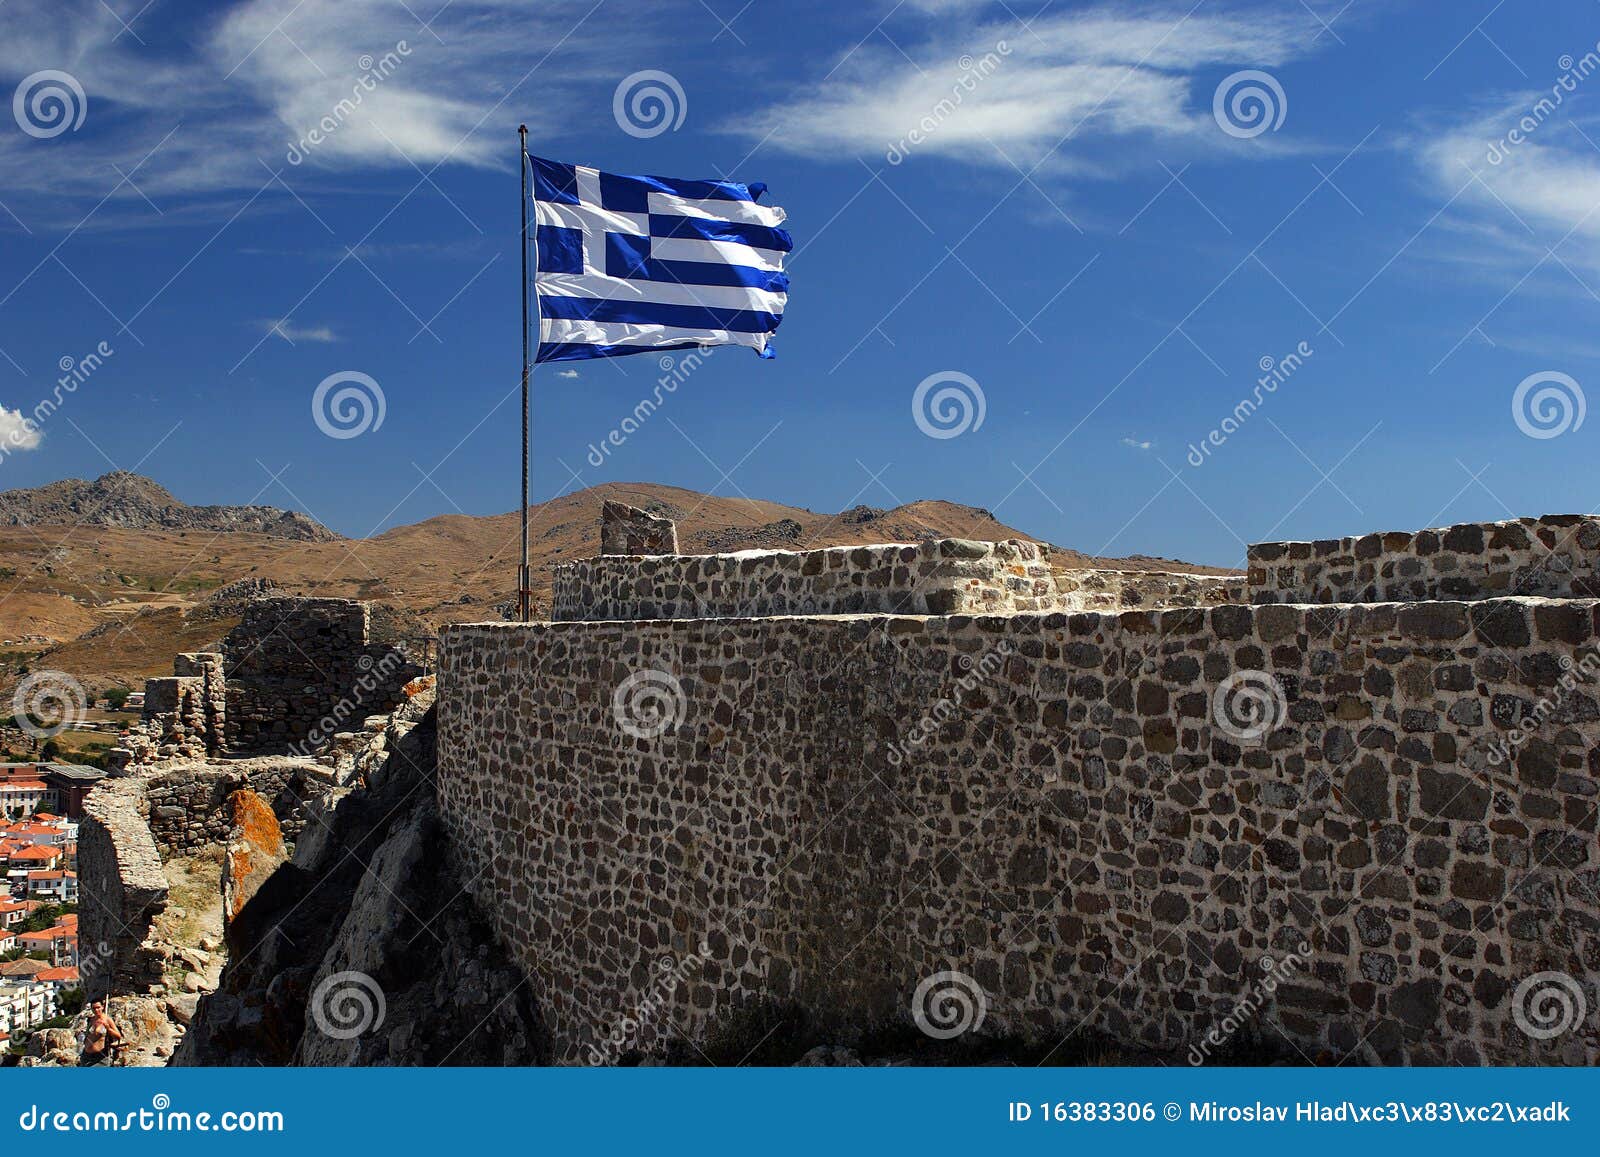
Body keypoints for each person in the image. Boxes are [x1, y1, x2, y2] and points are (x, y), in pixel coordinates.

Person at [79, 1000, 122, 1066]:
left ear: (103, 1007)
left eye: (98, 1007)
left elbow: (118, 1036)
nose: (96, 1010)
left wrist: (109, 1029)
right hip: (86, 1056)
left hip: (100, 1057)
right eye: (94, 1008)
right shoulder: (91, 1019)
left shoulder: (107, 1020)